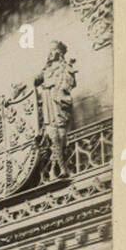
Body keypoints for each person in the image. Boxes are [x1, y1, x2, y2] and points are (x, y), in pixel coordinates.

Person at [35, 40, 76, 178]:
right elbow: (34, 81)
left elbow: (69, 83)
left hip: (59, 103)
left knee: (62, 136)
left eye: (54, 50)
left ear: (59, 53)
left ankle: (53, 169)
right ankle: (62, 169)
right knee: (54, 136)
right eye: (50, 51)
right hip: (48, 105)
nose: (51, 53)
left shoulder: (65, 67)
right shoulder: (46, 70)